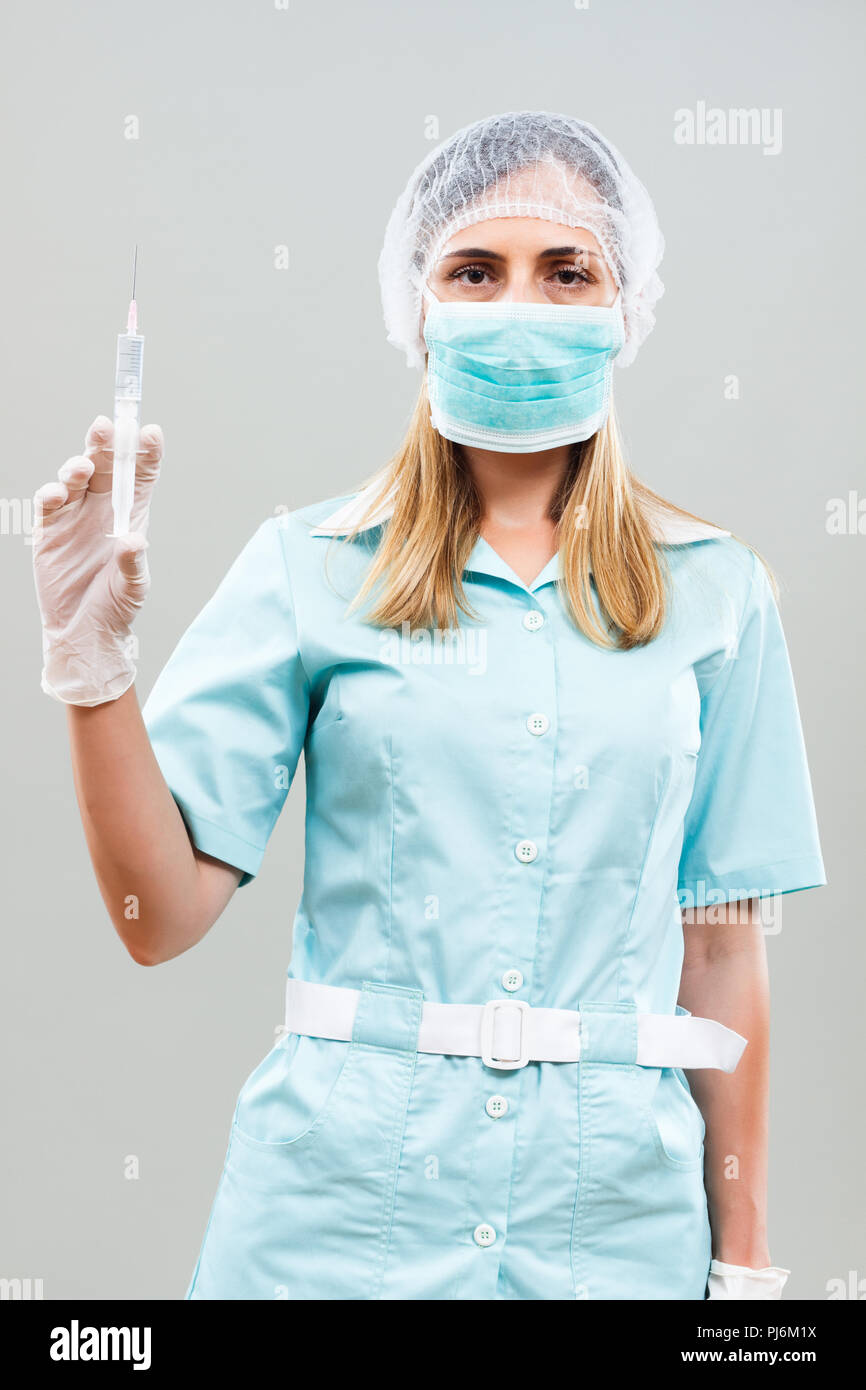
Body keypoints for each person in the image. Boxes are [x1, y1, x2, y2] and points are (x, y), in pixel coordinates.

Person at [32, 111, 825, 1301]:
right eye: (473, 270)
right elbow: (157, 917)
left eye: (567, 270)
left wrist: (747, 1275)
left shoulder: (719, 595)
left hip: (613, 1233)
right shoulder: (308, 568)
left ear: (623, 307)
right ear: (418, 310)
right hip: (329, 1226)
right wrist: (91, 672)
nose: (519, 304)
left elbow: (720, 956)